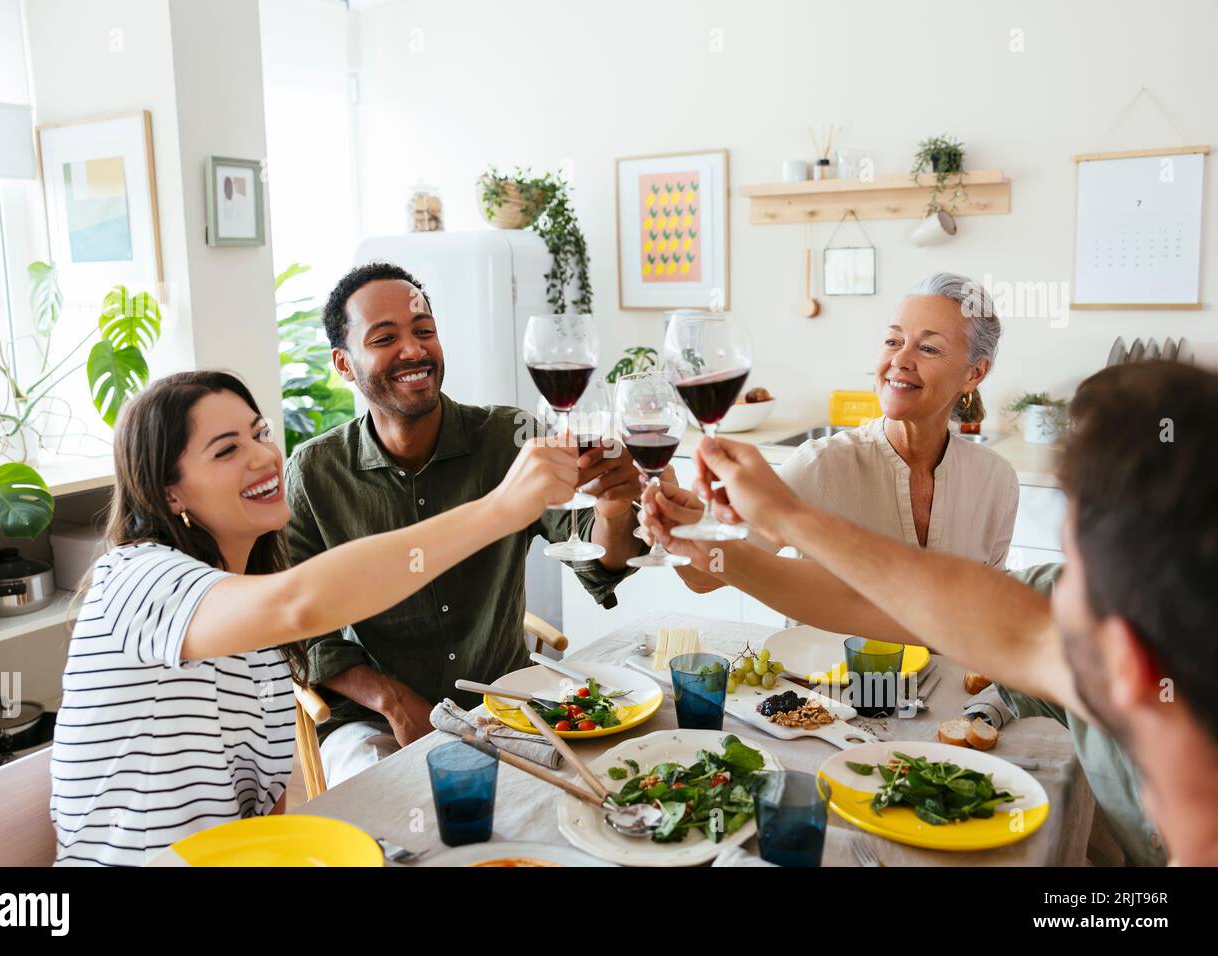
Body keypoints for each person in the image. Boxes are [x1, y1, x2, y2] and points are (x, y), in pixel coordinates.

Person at [644, 360, 1218, 866]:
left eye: (1078, 566)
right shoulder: (1108, 625)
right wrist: (751, 536)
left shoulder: (1088, 641)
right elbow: (872, 602)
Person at [50, 370, 581, 865]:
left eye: (259, 434)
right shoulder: (136, 579)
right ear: (170, 491)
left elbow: (264, 805)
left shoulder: (252, 613)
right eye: (227, 449)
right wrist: (501, 509)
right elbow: (300, 602)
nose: (262, 456)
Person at [285, 262, 645, 784]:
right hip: (376, 720)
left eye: (424, 331)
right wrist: (392, 699)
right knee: (392, 814)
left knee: (591, 794)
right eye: (385, 338)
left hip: (505, 701)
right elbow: (302, 631)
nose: (414, 350)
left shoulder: (508, 437)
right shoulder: (315, 473)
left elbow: (599, 558)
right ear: (343, 364)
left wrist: (613, 509)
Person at [673, 273, 1016, 605]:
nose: (899, 360)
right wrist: (679, 524)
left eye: (928, 348)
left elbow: (992, 604)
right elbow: (706, 577)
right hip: (831, 666)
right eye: (893, 341)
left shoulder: (995, 481)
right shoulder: (820, 466)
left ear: (974, 372)